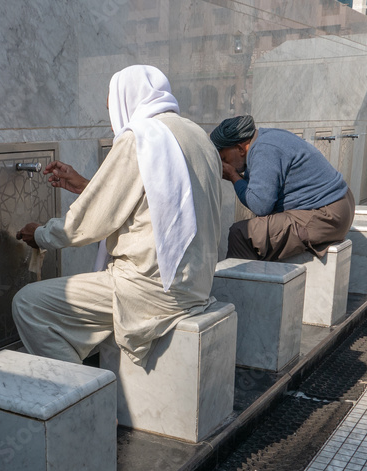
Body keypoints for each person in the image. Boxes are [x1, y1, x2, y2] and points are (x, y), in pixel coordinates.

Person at [12, 64, 222, 366]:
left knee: (29, 304)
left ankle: (82, 403)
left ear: (129, 99)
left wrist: (41, 235)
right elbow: (159, 205)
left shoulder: (140, 138)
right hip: (196, 286)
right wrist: (88, 186)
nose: (113, 125)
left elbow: (84, 227)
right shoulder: (197, 136)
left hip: (149, 289)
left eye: (113, 109)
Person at [211, 115, 354, 261]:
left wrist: (233, 176)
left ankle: (241, 284)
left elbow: (260, 205)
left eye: (224, 158)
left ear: (240, 148)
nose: (224, 164)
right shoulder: (266, 138)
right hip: (338, 206)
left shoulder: (264, 150)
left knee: (242, 233)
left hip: (327, 216)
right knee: (262, 229)